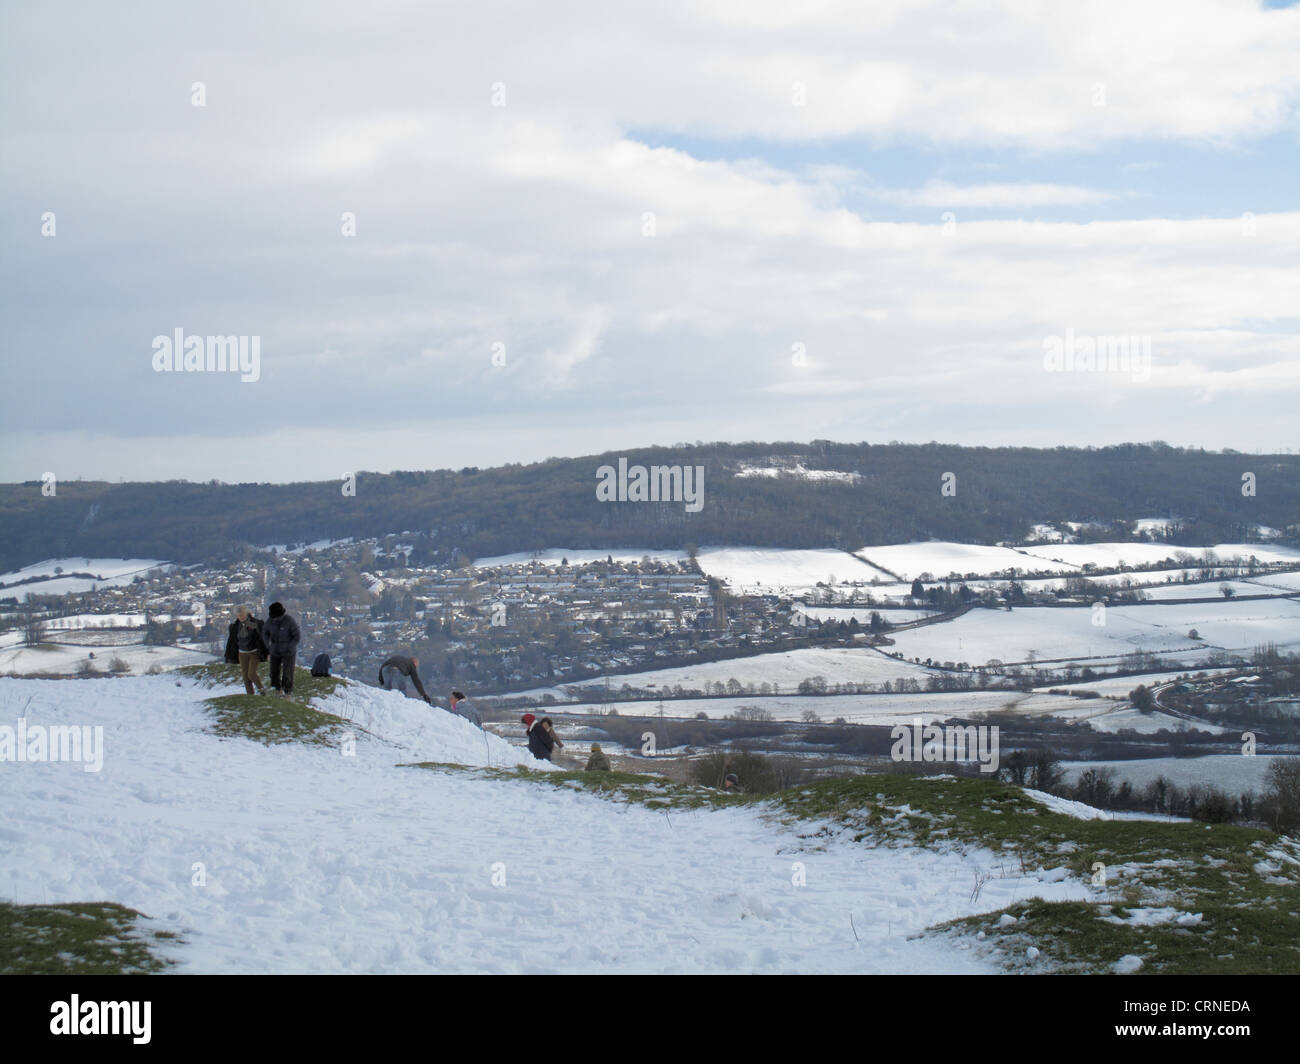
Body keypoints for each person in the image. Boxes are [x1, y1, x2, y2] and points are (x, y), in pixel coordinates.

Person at [228, 606, 268, 696]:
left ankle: (262, 690)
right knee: (245, 677)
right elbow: (233, 641)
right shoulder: (235, 626)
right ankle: (250, 695)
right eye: (239, 615)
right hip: (242, 653)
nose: (241, 617)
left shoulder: (253, 624)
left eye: (242, 615)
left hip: (254, 652)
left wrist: (267, 651)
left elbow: (262, 637)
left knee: (252, 674)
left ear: (246, 614)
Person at [263, 601, 301, 697]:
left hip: (288, 652)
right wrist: (269, 645)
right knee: (273, 671)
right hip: (275, 650)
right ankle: (276, 689)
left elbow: (297, 636)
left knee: (287, 672)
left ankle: (288, 692)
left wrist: (290, 646)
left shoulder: (289, 621)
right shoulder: (270, 621)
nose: (276, 619)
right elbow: (265, 633)